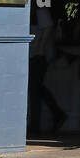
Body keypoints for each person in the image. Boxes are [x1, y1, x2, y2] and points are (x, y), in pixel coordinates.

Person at [28, 7, 66, 136]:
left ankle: (35, 126)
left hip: (38, 56)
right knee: (36, 88)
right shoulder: (33, 9)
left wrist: (40, 49)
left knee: (34, 90)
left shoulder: (39, 10)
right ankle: (57, 113)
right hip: (33, 55)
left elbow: (49, 27)